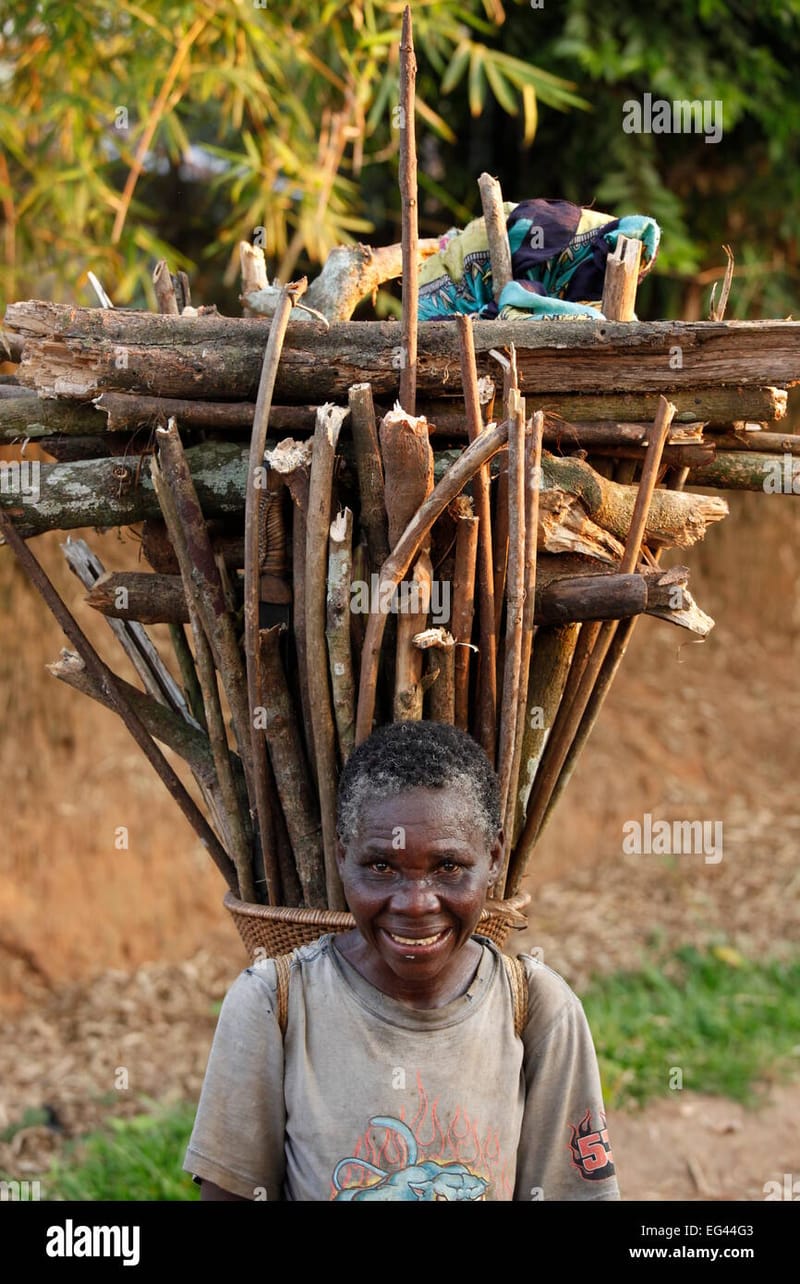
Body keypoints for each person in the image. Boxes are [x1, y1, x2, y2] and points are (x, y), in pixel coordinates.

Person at [183, 720, 619, 1202]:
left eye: (448, 867)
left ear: (493, 857)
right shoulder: (275, 1004)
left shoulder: (536, 1009)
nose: (415, 903)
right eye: (382, 867)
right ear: (343, 858)